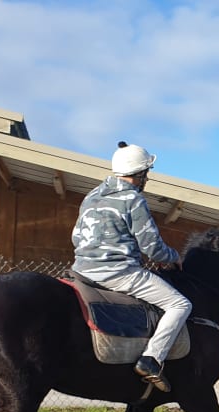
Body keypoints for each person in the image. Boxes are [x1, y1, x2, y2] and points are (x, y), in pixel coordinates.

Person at [71, 141, 191, 392]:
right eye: (146, 173)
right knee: (180, 304)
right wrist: (173, 257)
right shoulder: (133, 199)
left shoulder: (91, 195)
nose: (146, 178)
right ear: (140, 174)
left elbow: (76, 236)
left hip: (81, 270)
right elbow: (152, 248)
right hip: (118, 273)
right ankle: (151, 359)